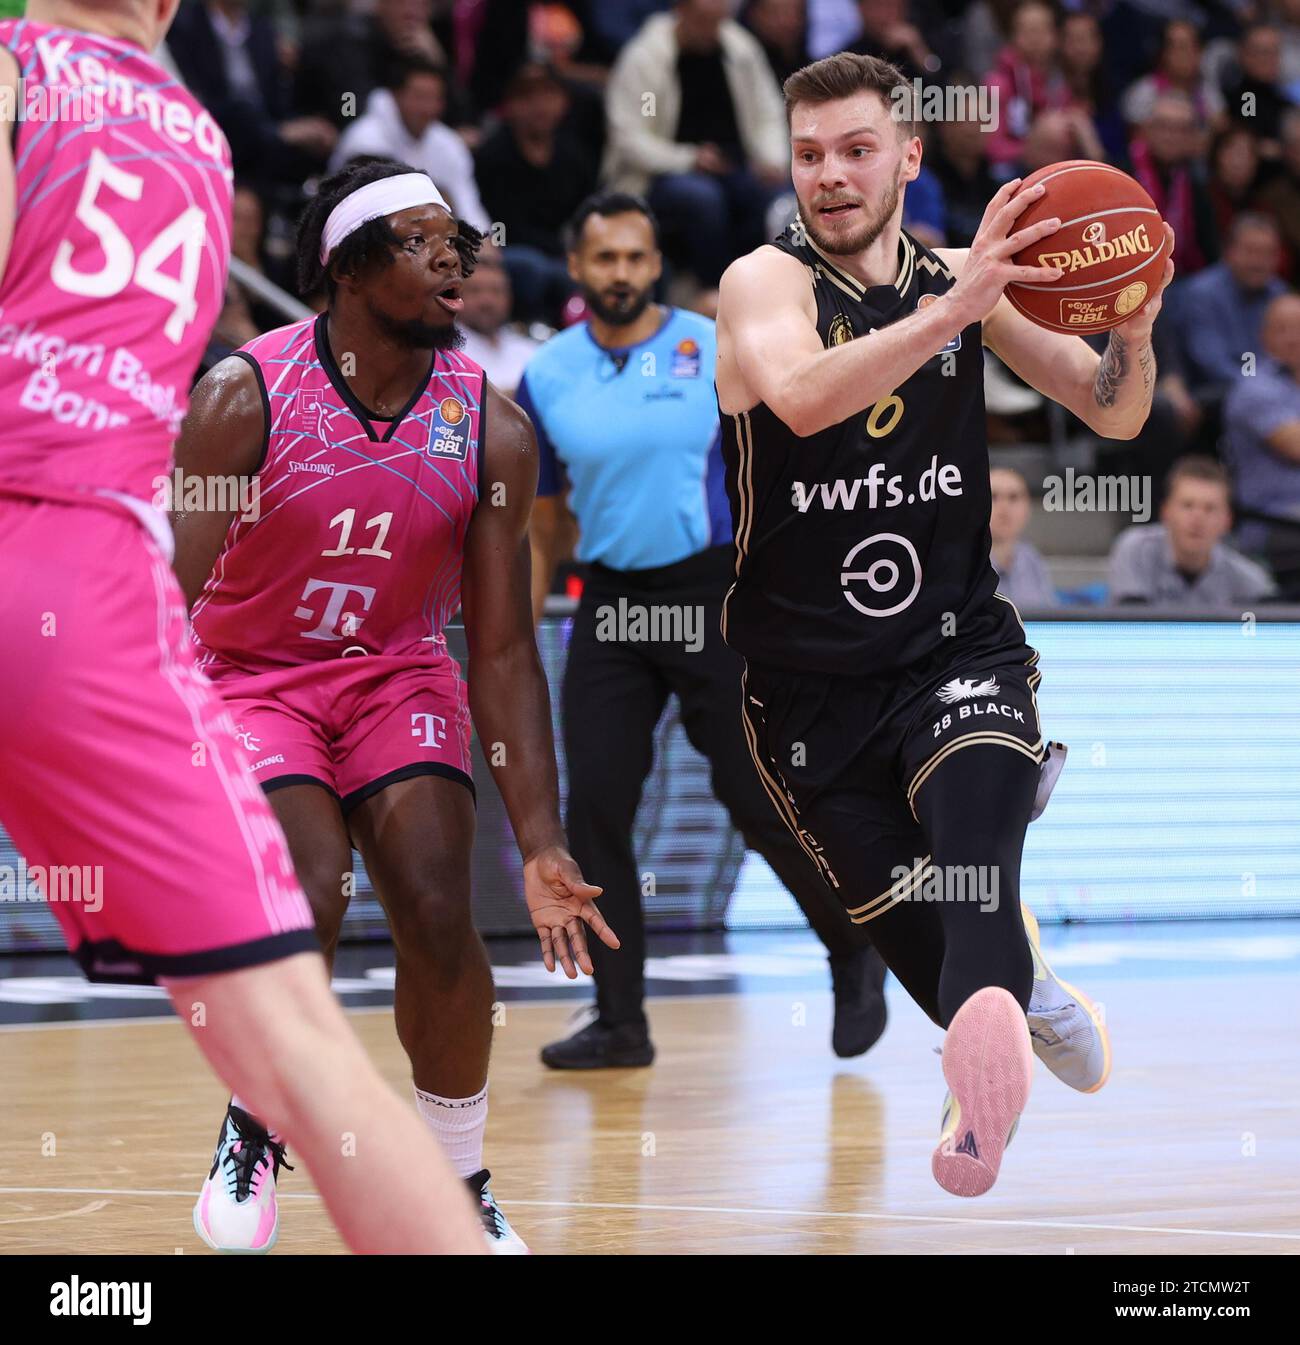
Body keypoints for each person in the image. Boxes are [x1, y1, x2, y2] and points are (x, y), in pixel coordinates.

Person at [0, 0, 482, 1254]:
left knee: (413, 906)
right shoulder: (198, 142)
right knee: (304, 1037)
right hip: (102, 599)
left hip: (104, 567)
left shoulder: (14, 72)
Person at [714, 51, 1172, 1195]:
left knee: (971, 871)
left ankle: (979, 1106)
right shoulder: (760, 283)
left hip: (952, 648)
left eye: (857, 149)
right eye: (809, 153)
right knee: (933, 948)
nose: (829, 174)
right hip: (804, 689)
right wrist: (956, 307)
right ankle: (1033, 994)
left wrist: (1136, 329)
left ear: (909, 156)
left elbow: (1109, 413)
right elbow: (807, 399)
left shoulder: (975, 276)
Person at [169, 158, 616, 1250]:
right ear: (347, 268)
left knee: (430, 899)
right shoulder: (245, 395)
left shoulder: (492, 430)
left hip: (394, 674)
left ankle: (457, 1184)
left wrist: (541, 839)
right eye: (422, 242)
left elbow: (503, 649)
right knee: (305, 889)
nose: (454, 260)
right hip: (250, 674)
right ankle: (257, 1118)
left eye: (457, 240)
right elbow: (161, 604)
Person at [522, 191, 889, 1069]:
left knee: (757, 797)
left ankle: (852, 950)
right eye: (604, 258)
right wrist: (519, 645)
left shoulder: (709, 342)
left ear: (656, 264)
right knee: (596, 809)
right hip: (609, 601)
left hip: (712, 593)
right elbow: (542, 525)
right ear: (577, 268)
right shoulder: (545, 374)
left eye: (636, 258)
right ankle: (621, 1021)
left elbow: (789, 454)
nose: (621, 273)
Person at [602, 0, 790, 288]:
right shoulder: (646, 58)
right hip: (657, 176)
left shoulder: (739, 49)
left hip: (733, 164)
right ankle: (714, 291)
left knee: (776, 198)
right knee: (703, 199)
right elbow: (630, 137)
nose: (711, 31)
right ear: (680, 10)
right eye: (703, 20)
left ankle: (768, 285)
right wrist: (688, 158)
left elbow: (767, 110)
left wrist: (772, 159)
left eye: (718, 21)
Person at [330, 55, 490, 236]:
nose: (427, 108)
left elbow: (468, 204)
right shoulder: (364, 140)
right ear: (396, 96)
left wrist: (482, 240)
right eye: (419, 97)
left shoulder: (449, 144)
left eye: (434, 99)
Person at [1107, 458, 1276, 607]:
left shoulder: (1250, 582)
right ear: (1165, 512)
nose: (1197, 519)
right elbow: (1131, 630)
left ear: (1227, 521)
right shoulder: (1135, 550)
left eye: (1209, 509)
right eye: (1187, 505)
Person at [457, 245, 542, 397]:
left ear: (510, 298)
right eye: (475, 290)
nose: (486, 301)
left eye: (496, 291)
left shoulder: (530, 350)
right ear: (457, 297)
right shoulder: (444, 353)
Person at [989, 467, 1055, 609]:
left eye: (1013, 498)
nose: (1004, 507)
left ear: (1027, 507)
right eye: (993, 497)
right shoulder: (963, 564)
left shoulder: (1032, 559)